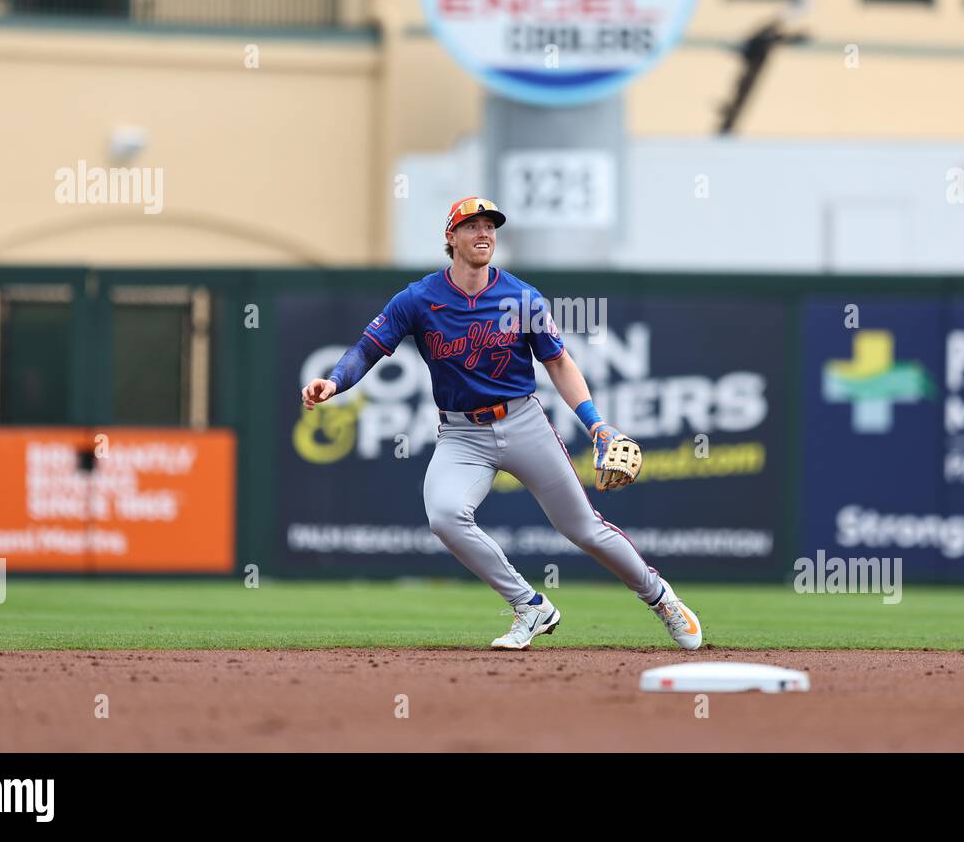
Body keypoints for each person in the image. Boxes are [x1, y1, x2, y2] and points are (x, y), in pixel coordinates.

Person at [301, 196, 704, 649]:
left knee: (582, 528)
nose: (484, 234)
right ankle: (530, 606)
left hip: (523, 421)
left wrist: (596, 424)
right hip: (461, 433)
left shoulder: (521, 297)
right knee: (446, 517)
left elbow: (559, 363)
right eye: (472, 226)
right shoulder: (417, 299)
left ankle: (660, 597)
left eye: (490, 226)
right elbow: (367, 349)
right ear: (450, 238)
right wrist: (334, 382)